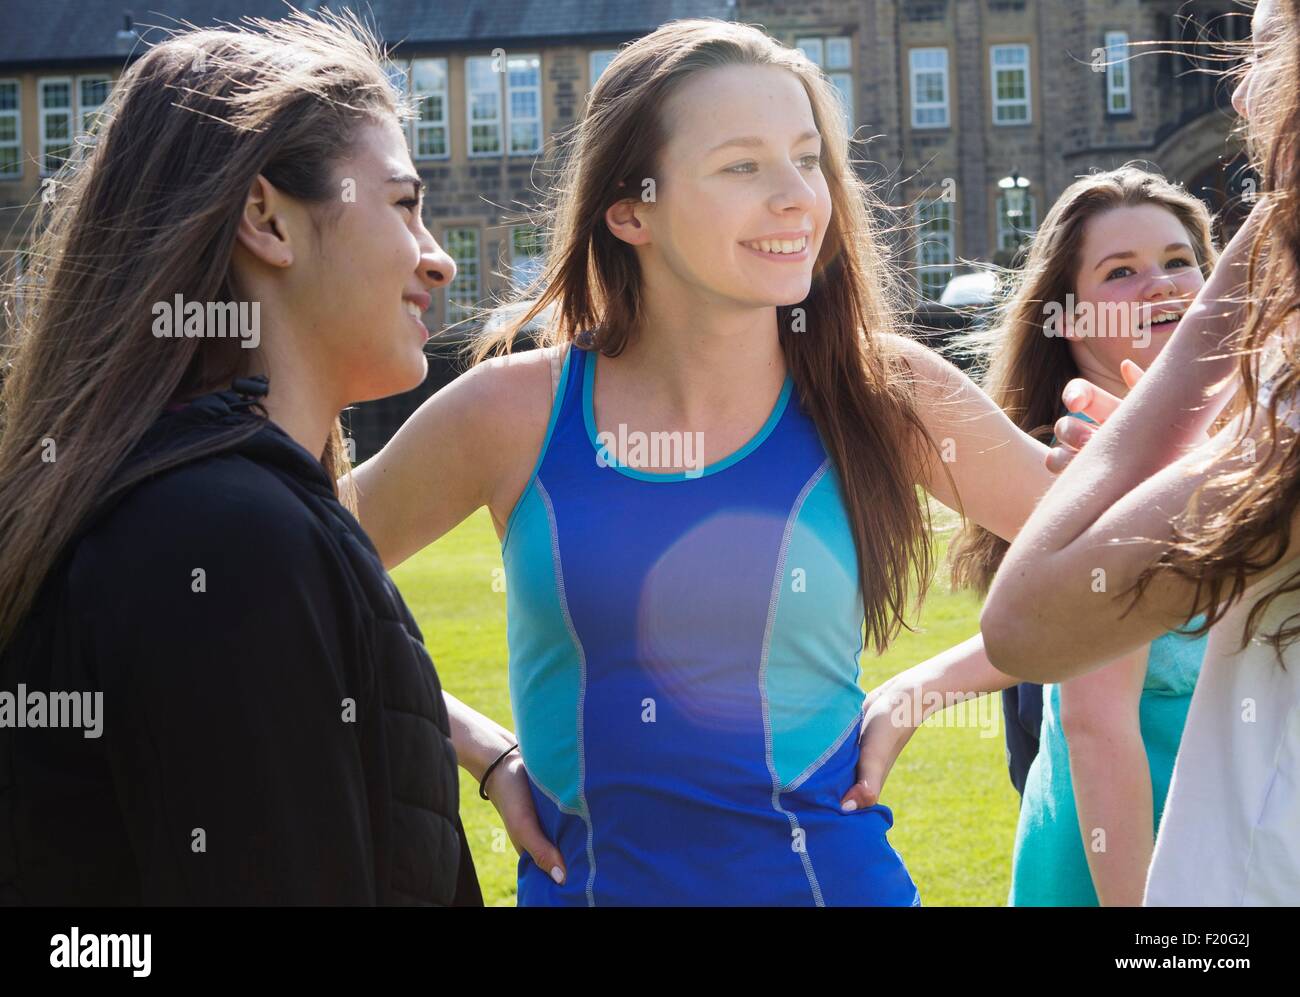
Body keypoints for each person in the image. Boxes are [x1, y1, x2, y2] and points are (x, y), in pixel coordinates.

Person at [352, 18, 1099, 905]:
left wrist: (931, 684)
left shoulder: (886, 389)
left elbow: (1115, 567)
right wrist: (484, 748)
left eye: (808, 157)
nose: (798, 198)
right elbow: (292, 586)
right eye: (743, 166)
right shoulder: (510, 410)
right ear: (631, 210)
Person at [0, 10, 488, 905]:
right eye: (405, 204)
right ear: (266, 217)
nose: (439, 259)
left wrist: (492, 756)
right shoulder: (222, 541)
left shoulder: (210, 512)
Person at [981, 0, 1300, 905]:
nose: (1241, 92)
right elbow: (1067, 694)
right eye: (1118, 271)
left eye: (1268, 55)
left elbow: (1027, 621)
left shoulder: (1264, 430)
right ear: (1066, 314)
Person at [872, 167, 1218, 906]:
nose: (1162, 284)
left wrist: (925, 682)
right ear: (1069, 317)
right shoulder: (1088, 455)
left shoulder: (1243, 430)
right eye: (1121, 272)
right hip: (1134, 856)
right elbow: (1096, 720)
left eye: (1179, 260)